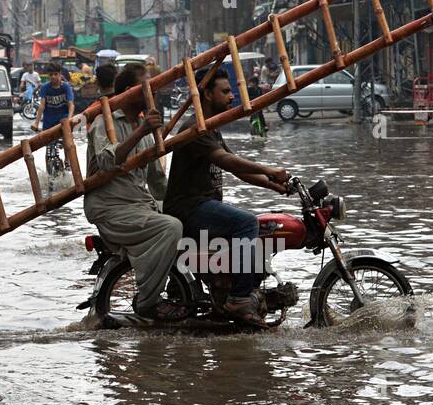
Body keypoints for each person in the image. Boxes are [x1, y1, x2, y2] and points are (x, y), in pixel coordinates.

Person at [165, 68, 291, 326]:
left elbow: (236, 168)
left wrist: (275, 186)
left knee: (259, 226)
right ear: (208, 95)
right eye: (226, 91)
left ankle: (234, 285)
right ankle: (239, 299)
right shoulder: (195, 129)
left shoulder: (211, 128)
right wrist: (268, 170)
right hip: (190, 208)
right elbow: (225, 159)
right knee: (246, 223)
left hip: (203, 205)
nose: (232, 97)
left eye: (232, 91)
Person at [84, 62, 183, 323]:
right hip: (111, 207)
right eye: (147, 87)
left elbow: (157, 181)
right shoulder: (104, 122)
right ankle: (149, 302)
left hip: (139, 204)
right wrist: (141, 131)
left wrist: (184, 201)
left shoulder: (146, 129)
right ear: (131, 91)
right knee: (170, 228)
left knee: (189, 221)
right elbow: (107, 162)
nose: (154, 93)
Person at [35, 67, 75, 132]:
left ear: (60, 74)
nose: (53, 76)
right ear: (48, 75)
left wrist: (69, 119)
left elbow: (71, 105)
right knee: (46, 140)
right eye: (51, 74)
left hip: (63, 119)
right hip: (48, 120)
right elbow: (42, 106)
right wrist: (36, 123)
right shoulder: (44, 87)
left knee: (67, 139)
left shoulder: (66, 87)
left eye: (55, 74)